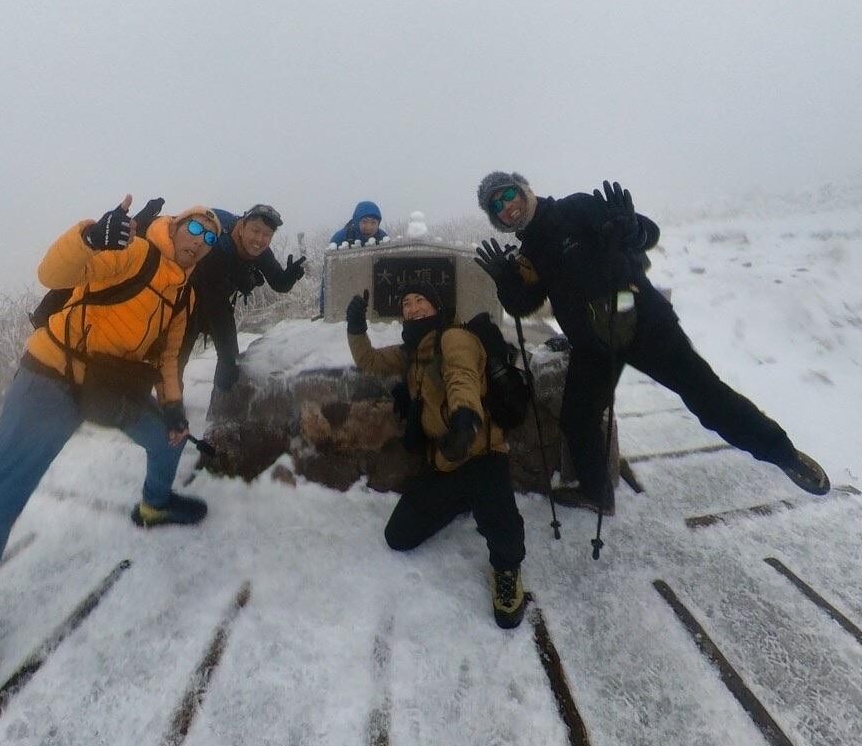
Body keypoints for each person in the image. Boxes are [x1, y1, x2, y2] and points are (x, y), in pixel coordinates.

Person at [0, 196, 223, 725]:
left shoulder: (183, 294)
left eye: (210, 240)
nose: (200, 244)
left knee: (167, 440)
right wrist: (90, 236)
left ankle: (154, 505)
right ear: (175, 227)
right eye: (195, 231)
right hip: (51, 379)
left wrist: (174, 405)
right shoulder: (132, 252)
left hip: (107, 388)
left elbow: (166, 357)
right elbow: (54, 270)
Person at [475, 172, 830, 515]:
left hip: (645, 323)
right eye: (496, 207)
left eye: (507, 194)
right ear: (497, 219)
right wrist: (506, 281)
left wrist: (631, 228)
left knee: (705, 395)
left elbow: (649, 234)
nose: (506, 206)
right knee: (578, 418)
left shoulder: (576, 208)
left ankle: (783, 453)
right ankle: (596, 493)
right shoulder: (530, 253)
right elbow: (525, 306)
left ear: (523, 189)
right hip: (594, 344)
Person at [345, 283, 527, 629]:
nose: (411, 308)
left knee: (501, 526)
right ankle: (460, 502)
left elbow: (462, 377)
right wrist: (356, 326)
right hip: (444, 462)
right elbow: (368, 361)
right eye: (406, 303)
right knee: (398, 536)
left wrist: (465, 418)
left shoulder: (454, 338)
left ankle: (507, 570)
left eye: (420, 301)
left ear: (436, 307)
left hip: (480, 452)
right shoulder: (411, 352)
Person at [181, 203, 305, 417]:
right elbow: (208, 285)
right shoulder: (220, 239)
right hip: (189, 299)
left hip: (218, 302)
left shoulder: (261, 252)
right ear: (242, 226)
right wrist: (239, 276)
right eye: (255, 231)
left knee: (229, 361)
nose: (260, 239)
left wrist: (289, 276)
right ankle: (169, 408)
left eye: (267, 234)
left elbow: (278, 283)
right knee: (177, 356)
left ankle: (220, 411)